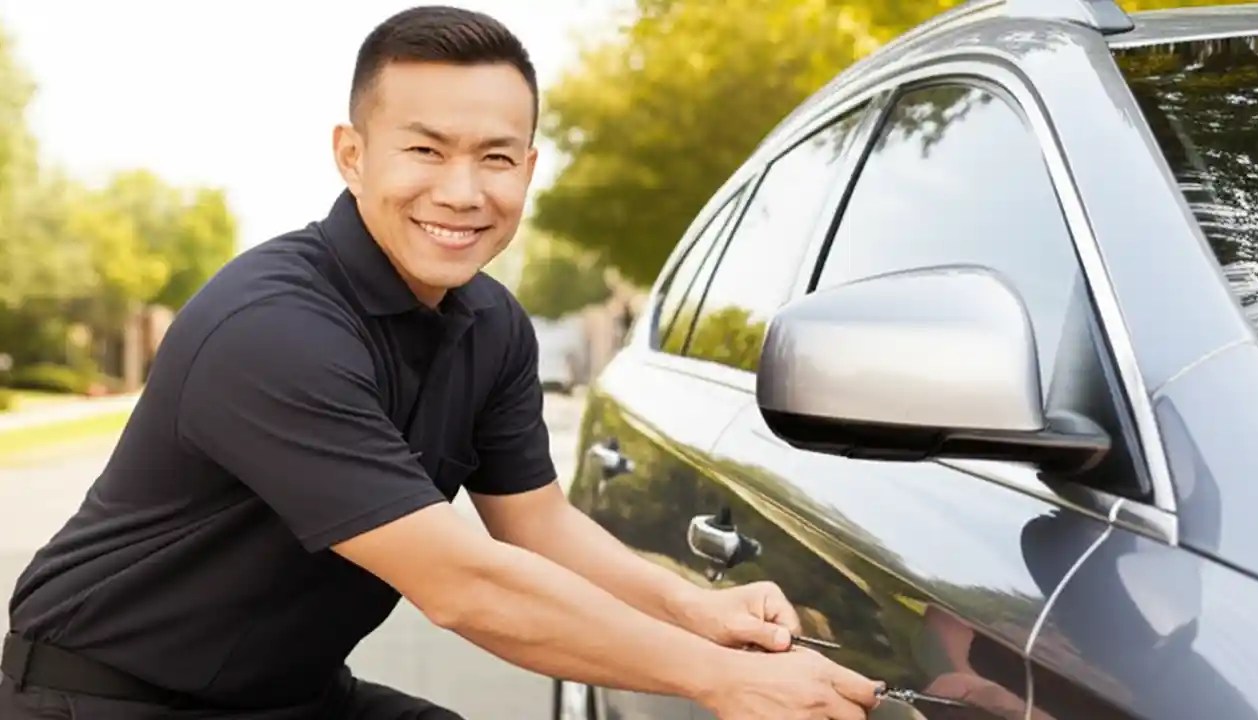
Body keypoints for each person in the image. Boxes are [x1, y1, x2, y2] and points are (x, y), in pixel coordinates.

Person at [0, 6, 883, 719]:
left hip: (289, 692)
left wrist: (698, 610)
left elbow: (537, 528)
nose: (463, 193)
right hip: (101, 693)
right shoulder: (270, 329)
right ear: (352, 154)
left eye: (496, 158)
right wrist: (719, 678)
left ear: (528, 169)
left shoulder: (491, 323)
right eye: (424, 150)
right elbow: (466, 589)